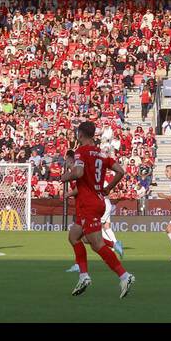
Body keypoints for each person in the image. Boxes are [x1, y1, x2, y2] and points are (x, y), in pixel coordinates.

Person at [62, 120, 136, 298]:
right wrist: (109, 188)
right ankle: (84, 275)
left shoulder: (81, 152)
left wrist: (65, 176)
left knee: (96, 244)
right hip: (94, 200)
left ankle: (125, 276)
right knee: (74, 236)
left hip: (89, 203)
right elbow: (120, 171)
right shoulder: (102, 153)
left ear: (80, 135)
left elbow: (78, 173)